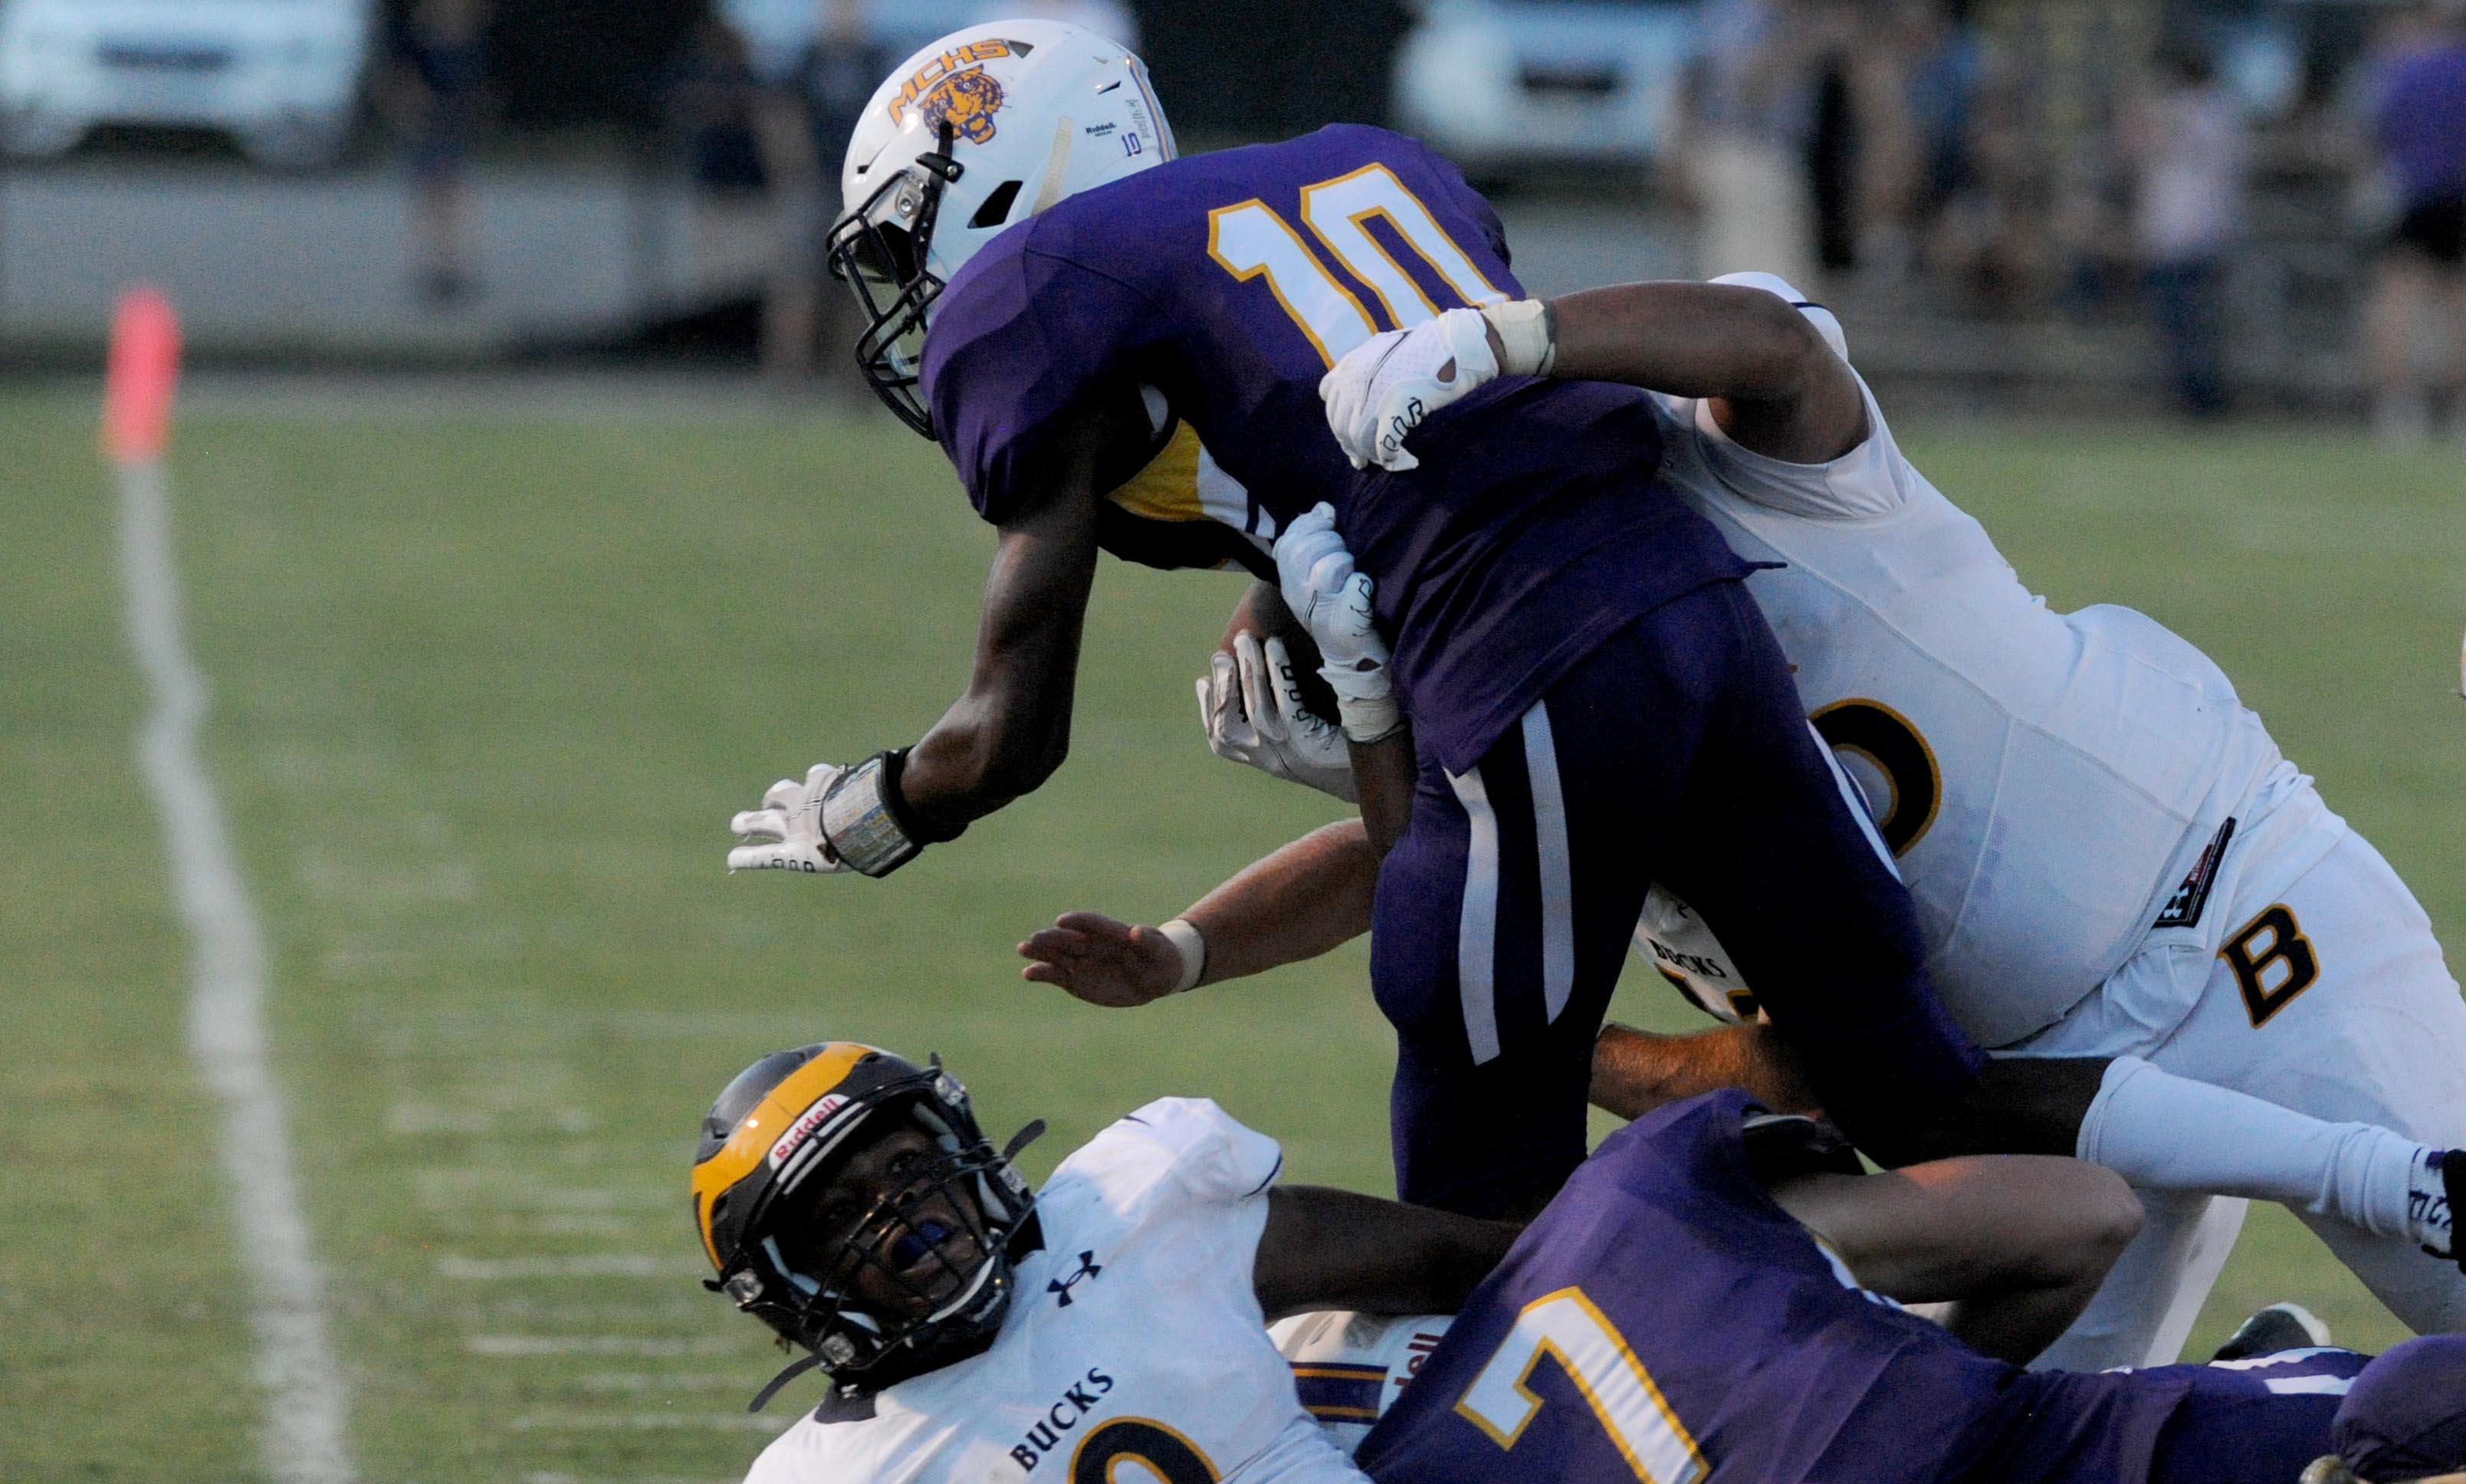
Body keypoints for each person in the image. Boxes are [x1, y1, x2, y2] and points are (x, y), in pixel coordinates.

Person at [1027, 271, 2466, 1370]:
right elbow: (1491, 863)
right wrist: (1203, 931)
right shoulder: (1534, 667)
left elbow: (1771, 345)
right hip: (2033, 1094)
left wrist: (1517, 335)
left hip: (2237, 927)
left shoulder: (1735, 464)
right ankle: (2288, 1392)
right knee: (1988, 1444)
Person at [722, 21, 2005, 1218]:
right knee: (1914, 1086)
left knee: (1478, 1192)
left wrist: (873, 809)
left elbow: (1010, 734)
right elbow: (1391, 429)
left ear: (1001, 187)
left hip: (1530, 660)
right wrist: (1279, 587)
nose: (909, 288)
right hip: (1696, 604)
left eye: (906, 242)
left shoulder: (1031, 294)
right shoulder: (1356, 164)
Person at [688, 1040, 2465, 1483]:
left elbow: (1495, 1258)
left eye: (903, 1177)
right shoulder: (1139, 1207)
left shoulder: (1134, 1209)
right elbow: (1515, 1257)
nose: (903, 1227)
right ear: (791, 1293)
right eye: (846, 1226)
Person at [2361, 2, 2466, 443]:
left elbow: (2378, 133)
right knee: (2459, 308)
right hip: (2459, 196)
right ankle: (2460, 411)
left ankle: (2400, 408)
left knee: (2397, 304)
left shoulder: (2406, 72)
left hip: (2416, 197)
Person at [2124, 43, 2245, 419]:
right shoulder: (2219, 111)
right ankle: (2194, 399)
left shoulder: (2202, 111)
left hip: (2190, 236)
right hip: (2186, 235)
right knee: (2183, 326)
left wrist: (2140, 100)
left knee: (2190, 326)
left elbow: (2141, 138)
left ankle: (2202, 400)